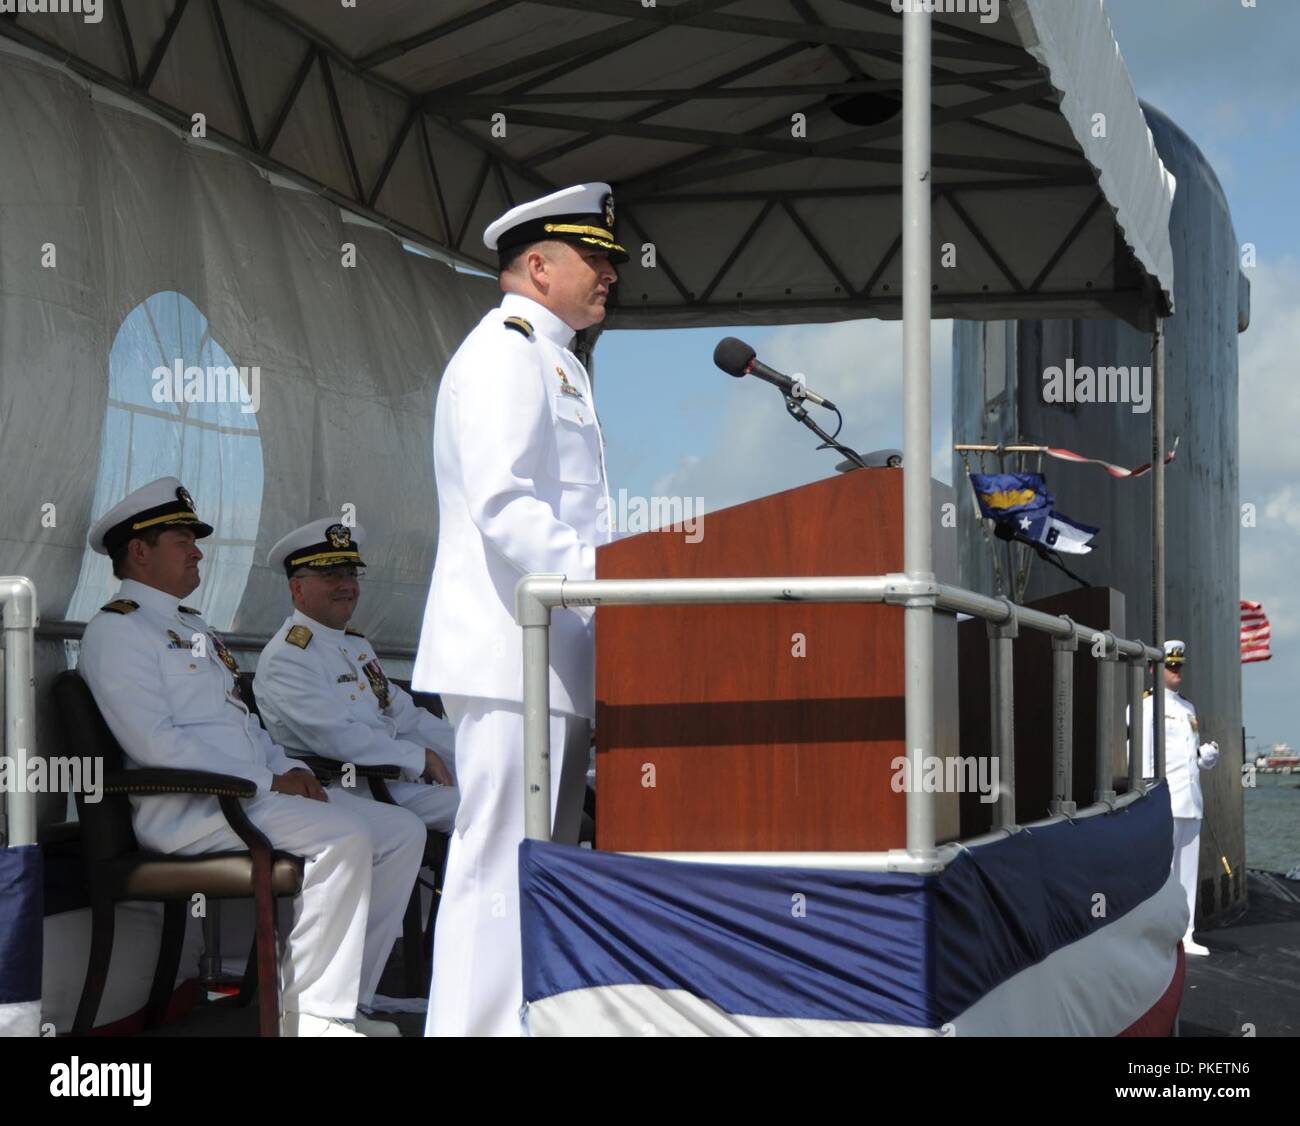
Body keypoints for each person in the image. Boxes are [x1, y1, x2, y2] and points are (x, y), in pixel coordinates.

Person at [79, 478, 426, 1036]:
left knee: (401, 830)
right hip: (190, 808)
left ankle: (347, 1000)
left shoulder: (191, 625)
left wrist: (283, 769)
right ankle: (312, 1017)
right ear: (139, 552)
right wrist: (266, 778)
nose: (197, 551)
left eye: (195, 539)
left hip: (244, 793)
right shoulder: (117, 630)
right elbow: (154, 743)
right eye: (181, 539)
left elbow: (239, 721)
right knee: (345, 838)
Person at [413, 182, 624, 1036]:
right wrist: (602, 590)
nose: (610, 274)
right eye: (595, 259)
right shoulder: (505, 350)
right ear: (538, 266)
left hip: (547, 654)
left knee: (533, 864)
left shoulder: (553, 356)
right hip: (507, 653)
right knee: (495, 864)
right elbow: (503, 504)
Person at [254, 517, 459, 832]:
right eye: (331, 575)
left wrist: (465, 750)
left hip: (395, 778)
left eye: (351, 574)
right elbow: (339, 739)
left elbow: (405, 716)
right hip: (351, 788)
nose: (347, 586)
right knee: (480, 808)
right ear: (297, 587)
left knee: (498, 785)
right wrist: (419, 757)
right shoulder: (288, 657)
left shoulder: (355, 645)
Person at [1134, 639, 1220, 956]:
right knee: (1161, 872)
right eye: (1171, 666)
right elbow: (1140, 757)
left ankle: (1186, 934)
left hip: (1191, 801)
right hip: (1164, 800)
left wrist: (1206, 757)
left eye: (1179, 665)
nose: (1176, 671)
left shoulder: (1188, 708)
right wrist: (1145, 798)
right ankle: (1155, 935)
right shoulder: (1145, 706)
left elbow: (1191, 757)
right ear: (1155, 669)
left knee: (1187, 875)